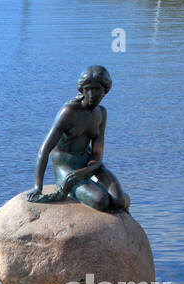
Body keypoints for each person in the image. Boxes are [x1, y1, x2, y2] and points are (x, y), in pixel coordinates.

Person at [29, 65, 129, 212]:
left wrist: (86, 171)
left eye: (97, 89)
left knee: (119, 201)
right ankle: (74, 190)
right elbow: (44, 150)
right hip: (67, 168)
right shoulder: (69, 111)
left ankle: (95, 188)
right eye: (88, 89)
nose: (92, 94)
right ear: (81, 90)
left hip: (89, 166)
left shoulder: (101, 113)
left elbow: (97, 154)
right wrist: (38, 187)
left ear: (105, 91)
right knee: (102, 201)